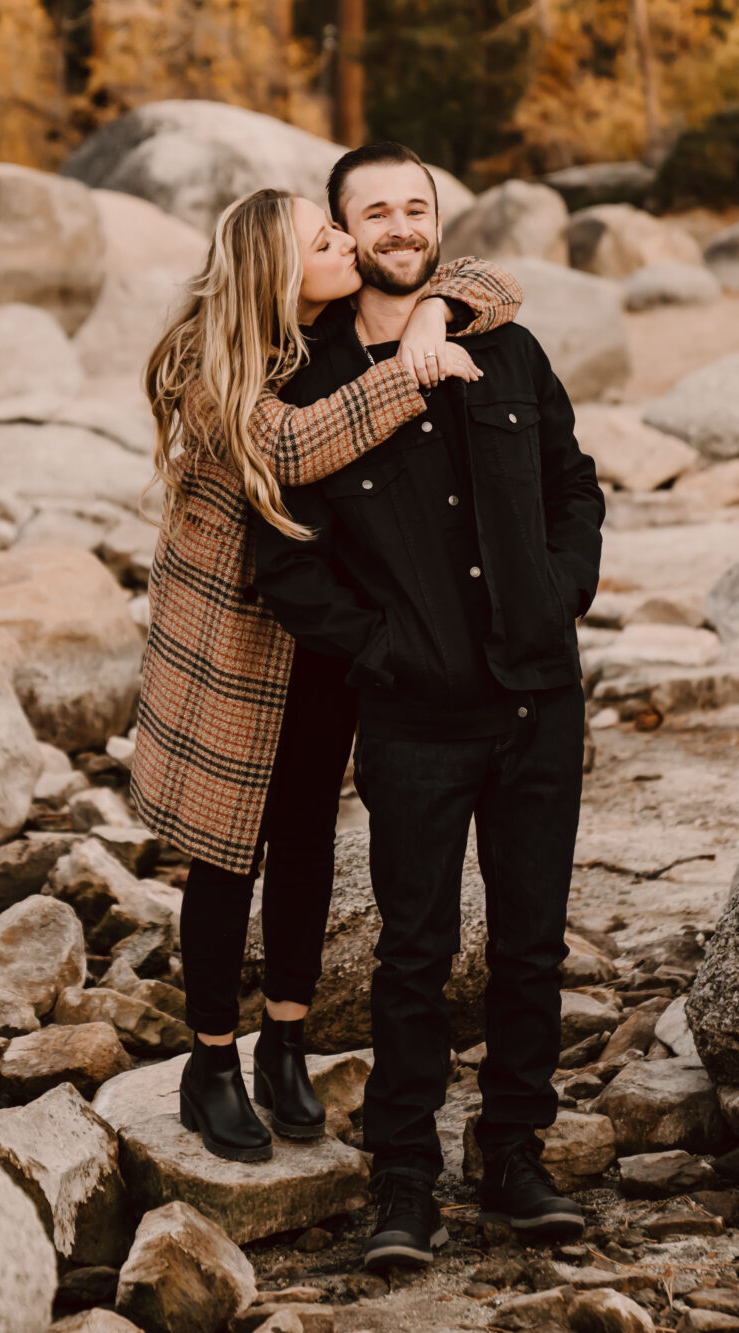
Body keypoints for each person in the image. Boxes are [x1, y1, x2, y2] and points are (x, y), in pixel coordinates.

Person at [254, 140, 606, 1269]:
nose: (401, 227)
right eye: (375, 212)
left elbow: (573, 485)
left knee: (530, 945)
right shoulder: (303, 384)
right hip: (411, 713)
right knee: (414, 952)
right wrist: (381, 648)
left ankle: (513, 1157)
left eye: (417, 207)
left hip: (538, 695)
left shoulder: (504, 348)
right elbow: (286, 557)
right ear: (339, 232)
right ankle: (402, 1176)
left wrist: (558, 592)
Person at [133, 185, 523, 1164]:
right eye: (327, 239)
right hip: (233, 645)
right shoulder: (214, 366)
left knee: (306, 833)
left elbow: (489, 278)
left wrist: (430, 314)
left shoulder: (335, 329)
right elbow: (292, 445)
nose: (351, 244)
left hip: (318, 637)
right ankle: (210, 1061)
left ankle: (285, 1042)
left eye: (341, 231)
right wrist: (413, 372)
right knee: (227, 850)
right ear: (280, 271)